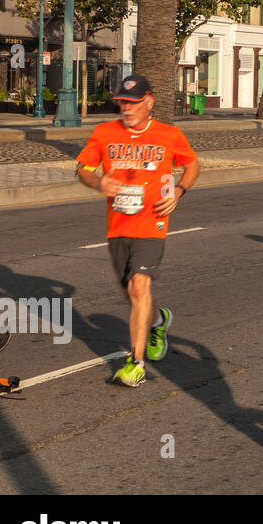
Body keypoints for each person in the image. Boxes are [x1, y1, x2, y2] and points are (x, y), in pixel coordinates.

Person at [75, 74, 200, 387]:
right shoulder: (104, 133)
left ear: (149, 102)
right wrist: (97, 181)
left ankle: (136, 363)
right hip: (118, 226)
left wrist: (179, 192)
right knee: (128, 293)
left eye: (132, 103)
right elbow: (83, 169)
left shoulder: (169, 135)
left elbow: (192, 164)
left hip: (152, 224)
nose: (126, 108)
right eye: (122, 103)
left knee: (139, 287)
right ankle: (159, 321)